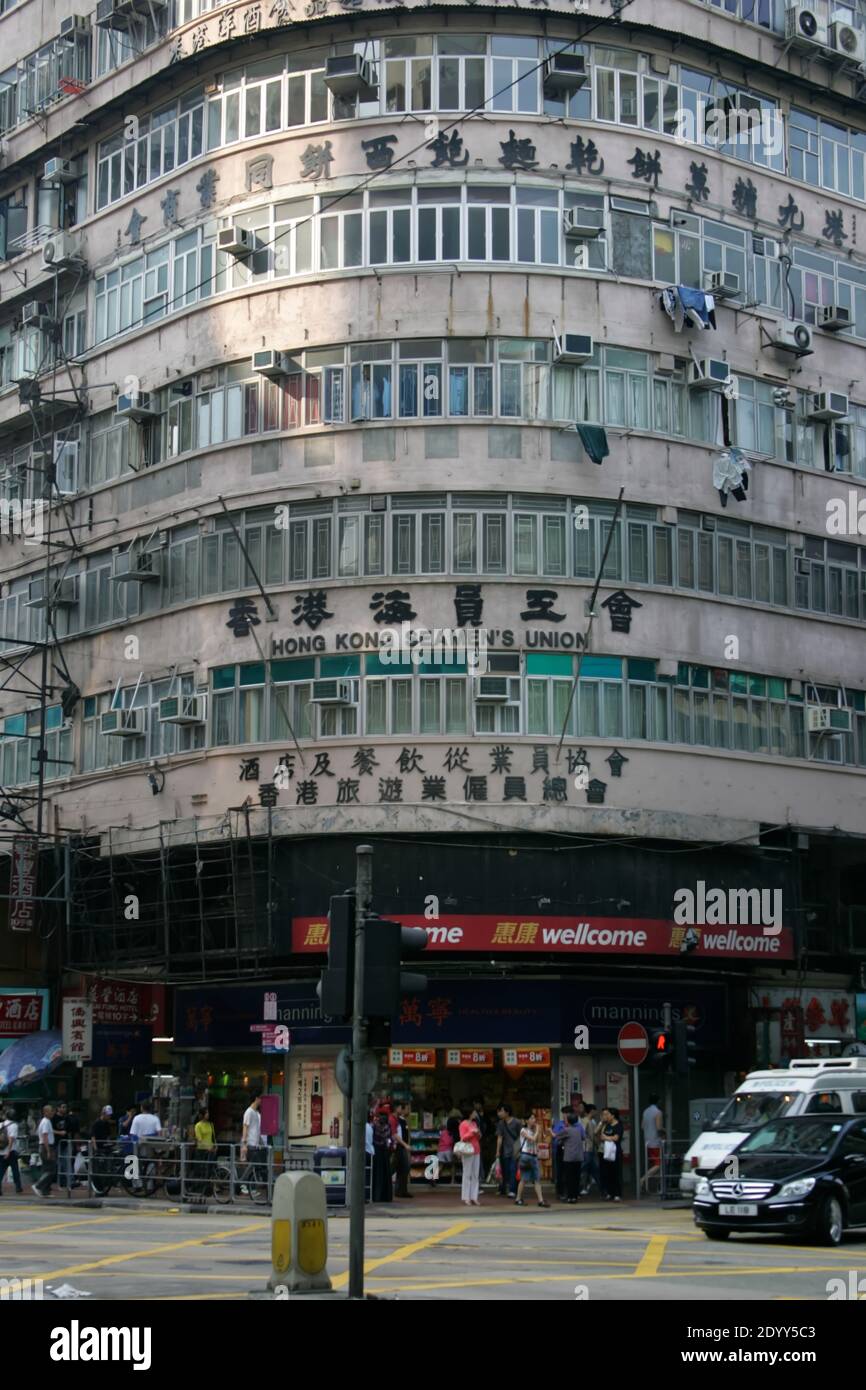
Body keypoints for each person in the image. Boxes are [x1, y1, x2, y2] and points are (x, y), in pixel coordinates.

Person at [515, 1112, 550, 1208]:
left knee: (535, 1179)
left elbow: (537, 1141)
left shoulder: (533, 1130)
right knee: (525, 1179)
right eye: (531, 1118)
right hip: (526, 1156)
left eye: (534, 1118)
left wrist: (538, 1131)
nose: (533, 1120)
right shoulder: (523, 1130)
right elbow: (532, 1139)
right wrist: (538, 1130)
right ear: (526, 1121)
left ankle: (540, 1200)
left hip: (533, 1156)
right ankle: (519, 1199)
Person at [554, 1112, 586, 1203]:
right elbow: (583, 1137)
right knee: (576, 1177)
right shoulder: (579, 1130)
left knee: (569, 1177)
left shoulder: (566, 1130)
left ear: (568, 1121)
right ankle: (575, 1196)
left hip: (569, 1157)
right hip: (579, 1157)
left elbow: (557, 1137)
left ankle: (570, 1197)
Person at [495, 1103, 521, 1198]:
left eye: (501, 1111)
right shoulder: (501, 1123)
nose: (499, 1113)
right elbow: (499, 1137)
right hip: (505, 1151)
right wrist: (497, 1151)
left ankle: (513, 1190)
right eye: (498, 1111)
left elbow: (521, 1136)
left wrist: (519, 1150)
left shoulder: (517, 1122)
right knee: (506, 1171)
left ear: (507, 1112)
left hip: (515, 1151)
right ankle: (505, 1188)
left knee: (513, 1169)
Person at [641, 1095, 665, 1193]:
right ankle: (642, 1180)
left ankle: (657, 1187)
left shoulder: (645, 1111)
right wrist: (666, 1131)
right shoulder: (658, 1112)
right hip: (656, 1142)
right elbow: (659, 1128)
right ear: (658, 1101)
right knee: (659, 1164)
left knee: (655, 1165)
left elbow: (642, 1126)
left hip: (647, 1141)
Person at [458, 1108, 481, 1207]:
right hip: (467, 1150)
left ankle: (474, 1197)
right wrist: (472, 1132)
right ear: (470, 1113)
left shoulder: (474, 1124)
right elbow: (463, 1137)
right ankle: (466, 1197)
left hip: (476, 1150)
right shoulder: (463, 1124)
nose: (475, 1113)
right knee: (467, 1174)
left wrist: (478, 1133)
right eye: (474, 1112)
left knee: (475, 1174)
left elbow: (479, 1136)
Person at [599, 1107, 624, 1202]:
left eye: (607, 1114)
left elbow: (616, 1138)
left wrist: (606, 1137)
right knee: (608, 1173)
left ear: (613, 1116)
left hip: (616, 1152)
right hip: (607, 1152)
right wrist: (606, 1136)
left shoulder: (618, 1125)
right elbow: (601, 1136)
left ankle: (617, 1194)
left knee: (616, 1173)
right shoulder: (607, 1125)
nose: (606, 1116)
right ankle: (610, 1193)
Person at [552, 1106, 575, 1200]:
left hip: (571, 1150)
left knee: (569, 1173)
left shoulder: (576, 1124)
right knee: (560, 1172)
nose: (564, 1116)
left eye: (566, 1113)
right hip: (560, 1150)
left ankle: (570, 1192)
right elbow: (555, 1137)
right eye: (563, 1113)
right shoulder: (559, 1124)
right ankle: (560, 1192)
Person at [371, 1107, 394, 1202]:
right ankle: (385, 1196)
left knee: (377, 1175)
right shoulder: (388, 1126)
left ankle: (377, 1196)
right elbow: (389, 1140)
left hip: (377, 1153)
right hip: (384, 1153)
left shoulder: (374, 1126)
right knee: (385, 1175)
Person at [33, 1105, 56, 1197]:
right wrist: (48, 1151)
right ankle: (38, 1185)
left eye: (52, 1111)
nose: (52, 1113)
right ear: (45, 1112)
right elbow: (45, 1136)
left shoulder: (45, 1121)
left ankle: (45, 1191)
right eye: (50, 1111)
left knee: (46, 1169)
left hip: (45, 1146)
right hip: (46, 1146)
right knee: (51, 1170)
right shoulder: (46, 1122)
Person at [392, 1101, 413, 1199]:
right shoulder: (398, 1121)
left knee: (403, 1168)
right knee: (403, 1167)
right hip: (400, 1147)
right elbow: (397, 1134)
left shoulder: (403, 1121)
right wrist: (405, 1145)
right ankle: (400, 1190)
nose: (409, 1111)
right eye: (407, 1108)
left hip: (403, 1146)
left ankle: (401, 1190)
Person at [0, 1105, 23, 1196]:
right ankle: (18, 1187)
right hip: (11, 1151)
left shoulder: (1, 1124)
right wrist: (8, 1151)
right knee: (15, 1170)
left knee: (1, 1171)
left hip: (1, 1151)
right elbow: (11, 1139)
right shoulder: (14, 1125)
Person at [580, 1103, 602, 1197]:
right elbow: (586, 1135)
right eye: (595, 1110)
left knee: (591, 1169)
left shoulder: (589, 1121)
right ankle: (582, 1187)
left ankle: (601, 1188)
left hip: (589, 1148)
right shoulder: (586, 1121)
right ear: (592, 1111)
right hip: (587, 1149)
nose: (596, 1112)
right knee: (585, 1168)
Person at [194, 1107, 217, 1193]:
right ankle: (200, 1188)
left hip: (211, 1149)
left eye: (208, 1113)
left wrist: (215, 1145)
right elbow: (199, 1139)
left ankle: (210, 1187)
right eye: (206, 1113)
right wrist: (207, 1147)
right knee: (202, 1170)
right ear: (202, 1115)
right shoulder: (198, 1125)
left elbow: (213, 1136)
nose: (208, 1114)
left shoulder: (210, 1124)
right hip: (202, 1150)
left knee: (210, 1169)